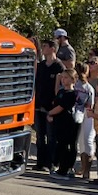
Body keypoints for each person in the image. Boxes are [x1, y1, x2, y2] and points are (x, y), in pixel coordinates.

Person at [33, 40, 64, 171]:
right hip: (38, 105)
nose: (43, 48)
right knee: (40, 136)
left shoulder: (59, 67)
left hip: (51, 107)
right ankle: (40, 162)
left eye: (45, 46)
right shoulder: (41, 66)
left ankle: (51, 162)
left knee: (51, 136)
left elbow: (61, 88)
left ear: (53, 49)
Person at [47, 68, 82, 178]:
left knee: (64, 145)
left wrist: (50, 113)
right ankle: (58, 165)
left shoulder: (72, 93)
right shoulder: (62, 91)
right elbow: (56, 101)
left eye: (66, 77)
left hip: (67, 122)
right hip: (58, 122)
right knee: (59, 144)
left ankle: (64, 170)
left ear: (73, 80)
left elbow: (61, 107)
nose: (63, 80)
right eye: (62, 77)